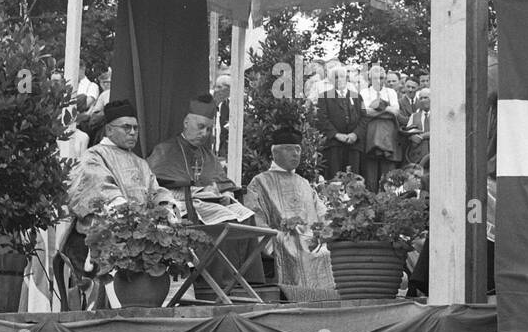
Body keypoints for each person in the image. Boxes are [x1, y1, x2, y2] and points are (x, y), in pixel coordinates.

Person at [245, 129, 336, 293]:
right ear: (275, 152)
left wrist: (330, 230)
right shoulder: (260, 182)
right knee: (299, 250)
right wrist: (275, 241)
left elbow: (322, 213)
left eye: (298, 149)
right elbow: (255, 218)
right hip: (282, 239)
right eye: (289, 149)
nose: (295, 154)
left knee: (329, 250)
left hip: (312, 238)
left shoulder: (304, 183)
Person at [146, 96, 254, 226]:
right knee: (225, 221)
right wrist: (197, 190)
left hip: (210, 205)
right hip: (179, 207)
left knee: (247, 217)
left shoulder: (209, 156)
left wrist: (225, 193)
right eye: (201, 127)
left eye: (208, 129)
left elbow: (224, 184)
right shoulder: (164, 150)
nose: (204, 133)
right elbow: (155, 185)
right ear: (186, 122)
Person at [316, 64, 364, 180]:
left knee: (353, 179)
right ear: (331, 80)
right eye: (336, 77)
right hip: (334, 145)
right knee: (335, 178)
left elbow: (364, 118)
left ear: (347, 79)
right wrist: (337, 135)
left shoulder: (357, 97)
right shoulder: (324, 97)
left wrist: (355, 134)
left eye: (341, 77)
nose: (339, 80)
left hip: (353, 144)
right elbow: (322, 119)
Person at [360, 65, 404, 192]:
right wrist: (386, 109)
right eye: (375, 78)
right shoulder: (364, 92)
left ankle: (389, 199)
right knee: (371, 172)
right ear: (370, 79)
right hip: (370, 134)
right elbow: (365, 112)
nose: (379, 80)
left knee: (389, 171)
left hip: (389, 135)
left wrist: (378, 107)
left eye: (381, 77)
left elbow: (395, 112)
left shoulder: (391, 92)